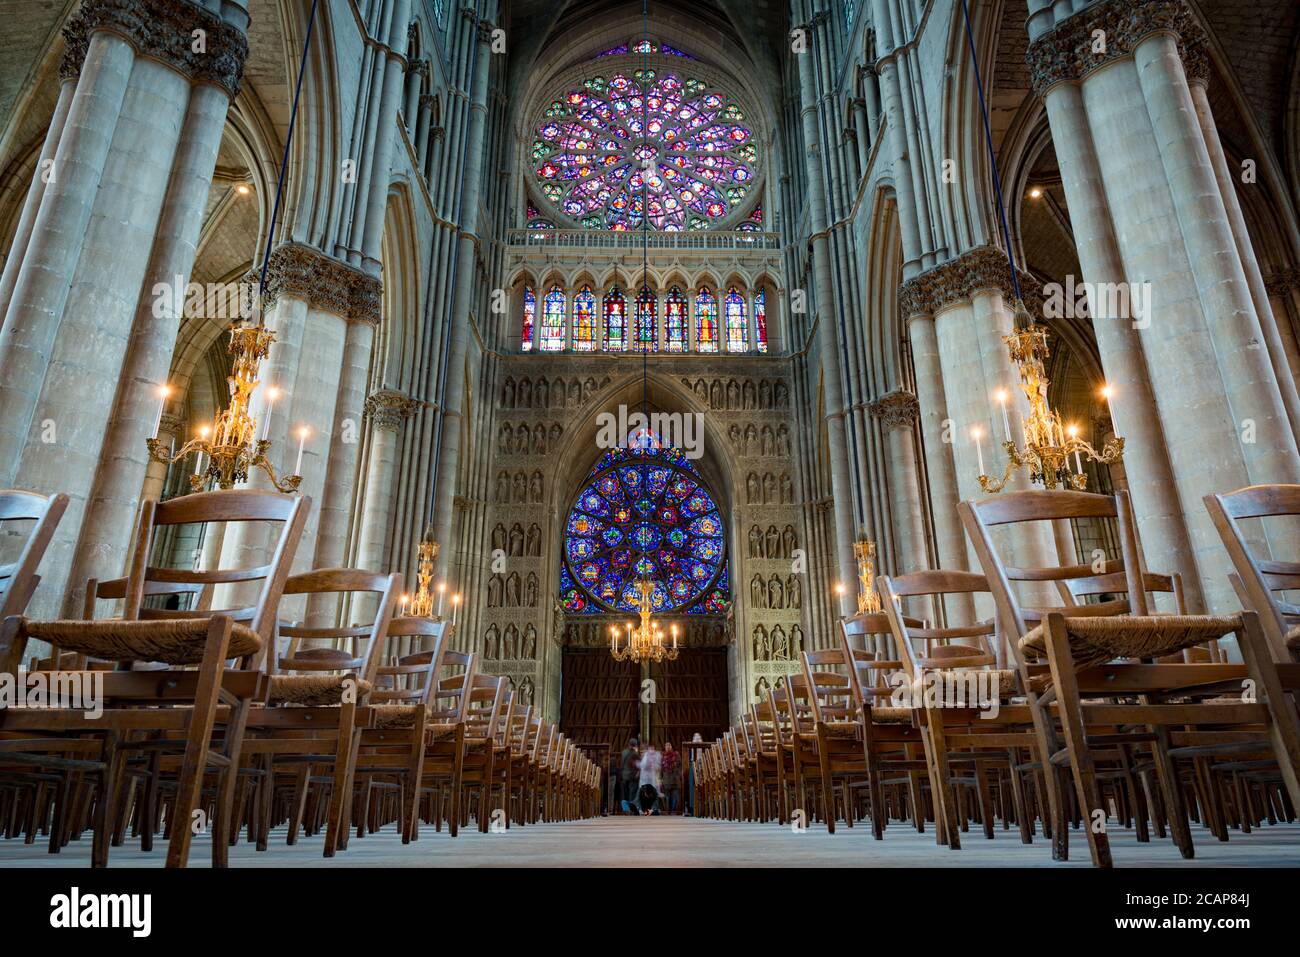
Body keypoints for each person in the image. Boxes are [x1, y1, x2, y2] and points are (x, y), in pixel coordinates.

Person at [638, 742, 662, 815]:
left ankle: (654, 809)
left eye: (652, 748)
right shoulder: (645, 755)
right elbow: (642, 765)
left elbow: (659, 766)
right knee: (643, 794)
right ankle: (643, 809)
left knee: (654, 794)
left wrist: (654, 766)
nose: (651, 750)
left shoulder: (657, 755)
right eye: (650, 748)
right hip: (645, 779)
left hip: (653, 779)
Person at [619, 737, 640, 813]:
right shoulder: (635, 753)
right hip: (632, 776)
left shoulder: (623, 752)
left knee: (625, 793)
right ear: (635, 745)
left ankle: (625, 809)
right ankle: (631, 809)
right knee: (632, 793)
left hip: (624, 775)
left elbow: (621, 764)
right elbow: (638, 765)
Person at [661, 741, 682, 815]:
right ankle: (668, 811)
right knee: (668, 797)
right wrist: (660, 779)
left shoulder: (676, 754)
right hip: (666, 779)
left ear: (671, 746)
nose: (668, 747)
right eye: (666, 745)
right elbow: (661, 768)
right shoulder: (663, 756)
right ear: (665, 747)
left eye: (669, 745)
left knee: (676, 797)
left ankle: (675, 811)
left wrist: (678, 773)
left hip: (675, 779)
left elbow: (680, 765)